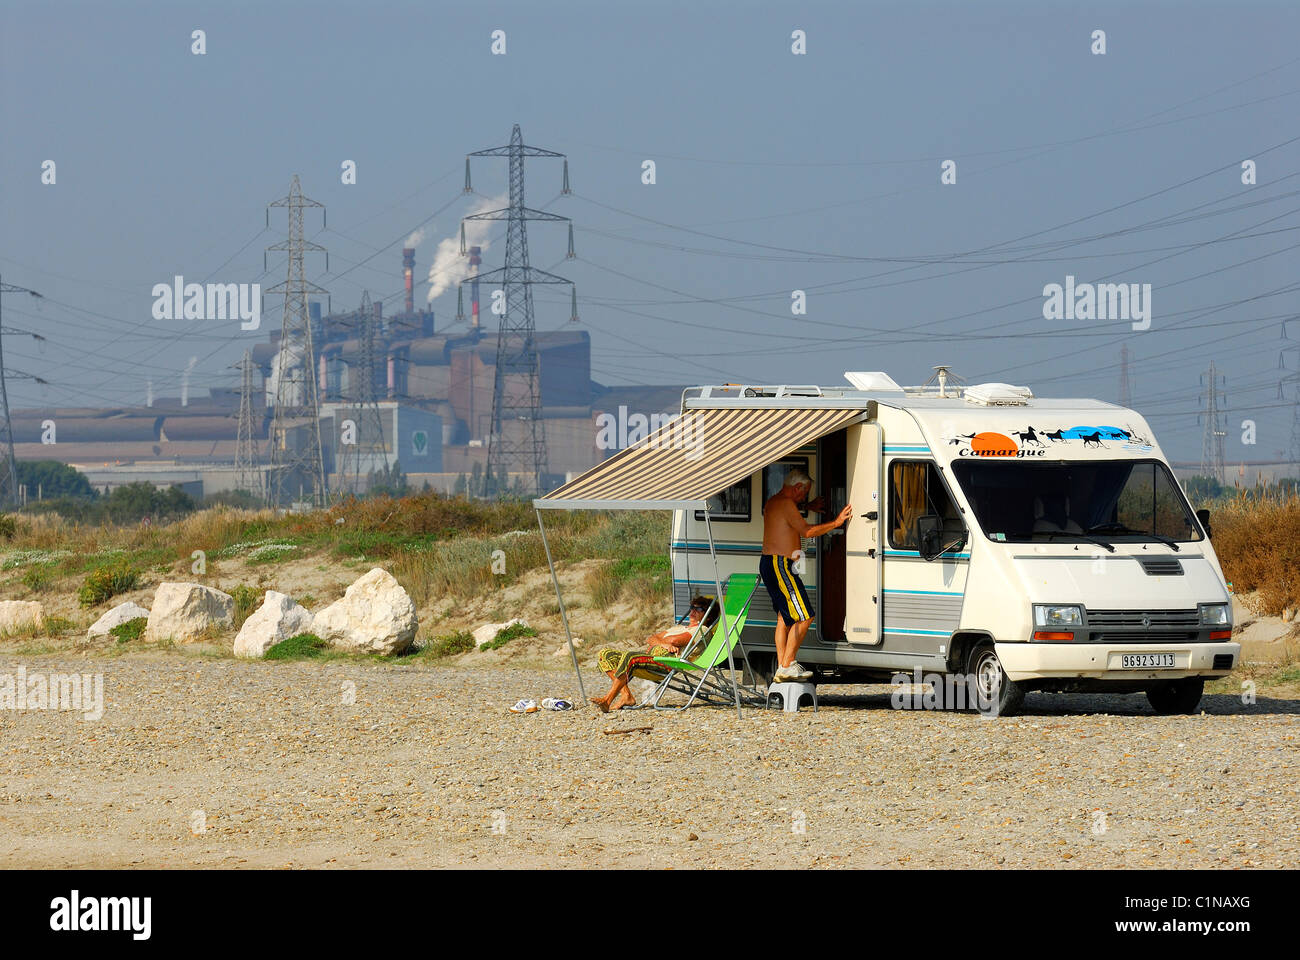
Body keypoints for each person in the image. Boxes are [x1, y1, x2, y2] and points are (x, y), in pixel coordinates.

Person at [760, 468, 852, 682]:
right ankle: (788, 664)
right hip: (780, 564)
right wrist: (837, 523)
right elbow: (807, 531)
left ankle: (782, 668)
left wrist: (807, 506)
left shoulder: (775, 501)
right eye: (805, 493)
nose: (805, 497)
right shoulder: (786, 504)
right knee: (805, 615)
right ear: (797, 487)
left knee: (784, 617)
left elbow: (789, 514)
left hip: (770, 563)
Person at [590, 596, 719, 712]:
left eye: (699, 609)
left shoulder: (702, 629)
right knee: (605, 654)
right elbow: (651, 638)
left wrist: (661, 642)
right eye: (692, 607)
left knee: (630, 657)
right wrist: (663, 644)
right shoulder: (678, 628)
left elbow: (673, 640)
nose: (693, 610)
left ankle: (607, 700)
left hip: (667, 663)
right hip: (651, 659)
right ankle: (626, 696)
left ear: (708, 616)